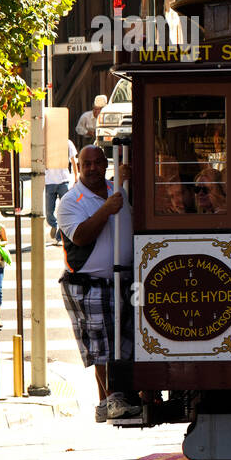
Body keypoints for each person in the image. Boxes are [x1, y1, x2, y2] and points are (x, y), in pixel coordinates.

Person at [55, 144, 138, 422]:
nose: (91, 168)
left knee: (124, 341)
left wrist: (121, 188)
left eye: (96, 163)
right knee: (103, 346)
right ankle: (111, 400)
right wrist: (107, 209)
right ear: (78, 166)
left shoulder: (118, 189)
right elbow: (81, 236)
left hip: (124, 280)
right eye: (86, 163)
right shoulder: (71, 200)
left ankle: (112, 399)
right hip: (91, 283)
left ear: (105, 164)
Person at [45, 137, 78, 243]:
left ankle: (60, 235)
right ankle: (54, 225)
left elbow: (73, 160)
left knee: (65, 209)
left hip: (64, 181)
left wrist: (76, 176)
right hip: (49, 181)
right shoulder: (45, 143)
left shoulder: (67, 143)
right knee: (49, 211)